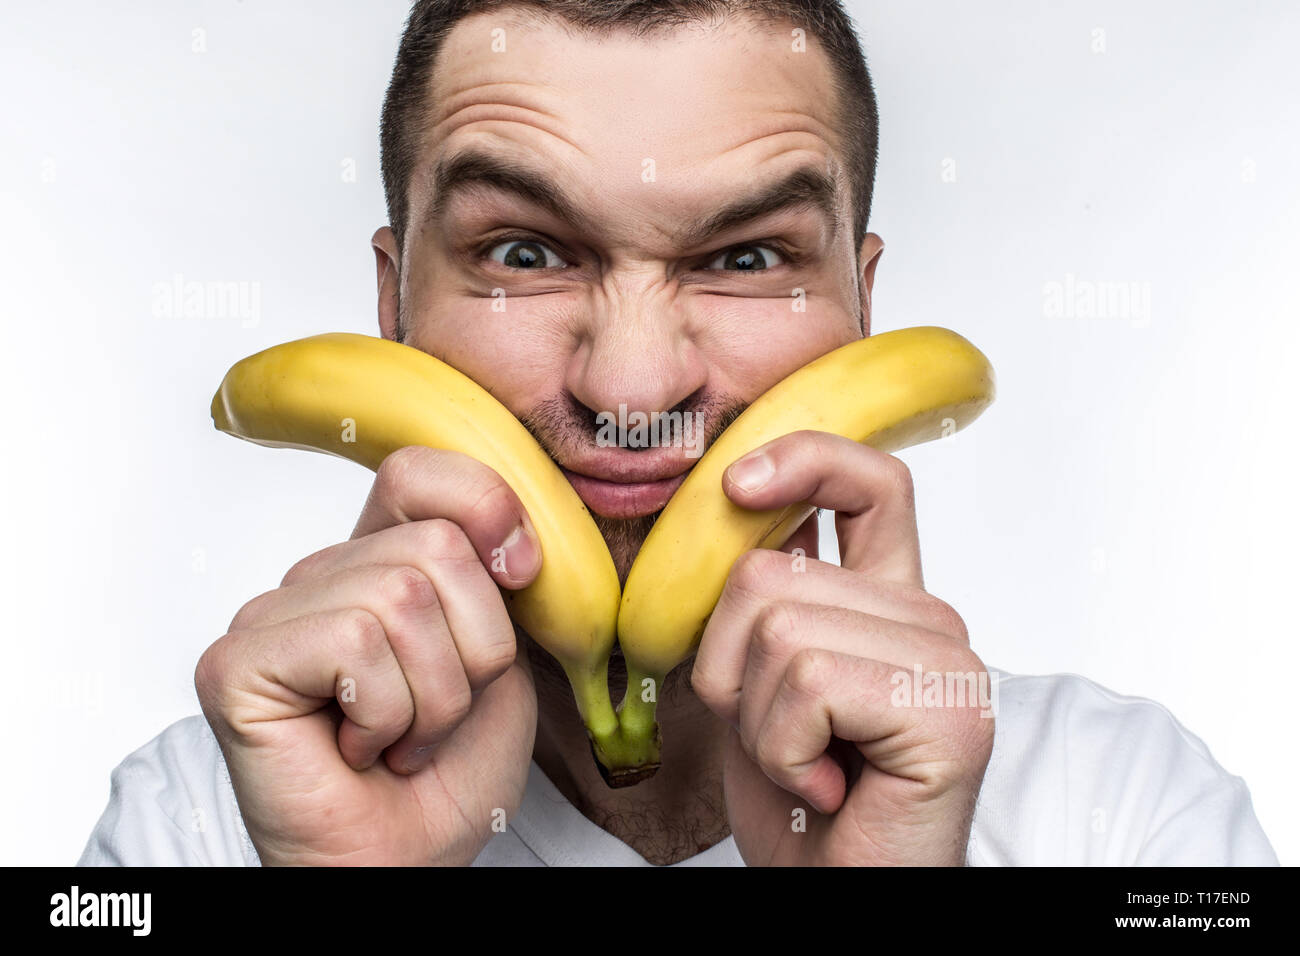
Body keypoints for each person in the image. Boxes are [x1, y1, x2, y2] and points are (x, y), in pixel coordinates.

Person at [79, 0, 1276, 867]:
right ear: (392, 310)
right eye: (523, 253)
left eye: (747, 258)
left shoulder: (1131, 809)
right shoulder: (199, 821)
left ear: (866, 310)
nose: (633, 383)